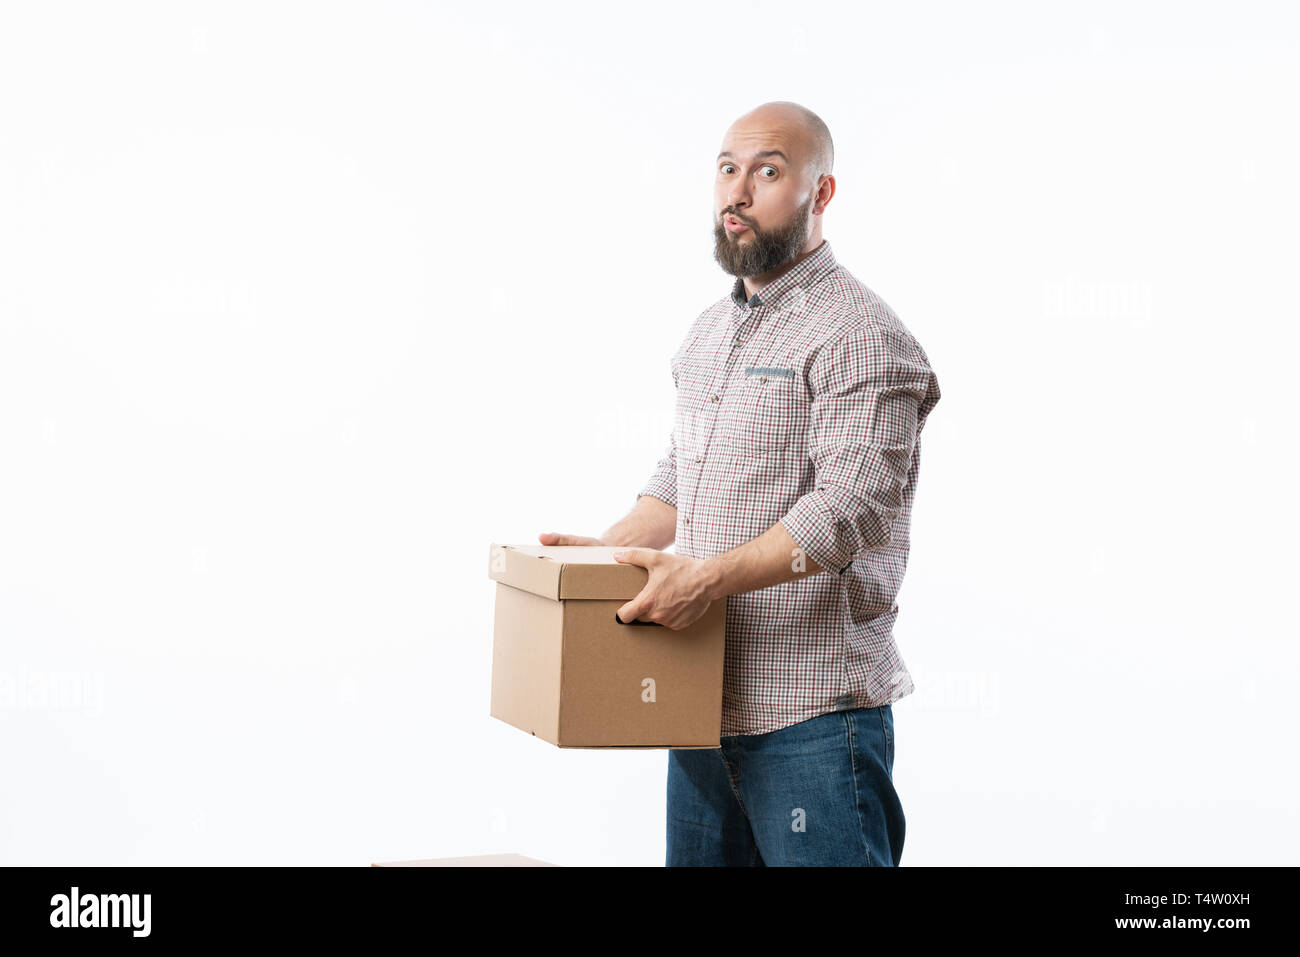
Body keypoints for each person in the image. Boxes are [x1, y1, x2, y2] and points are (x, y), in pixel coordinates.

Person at [539, 100, 941, 866]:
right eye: (727, 169)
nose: (738, 191)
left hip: (814, 724)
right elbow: (681, 472)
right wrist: (606, 556)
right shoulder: (709, 330)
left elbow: (846, 512)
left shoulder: (863, 335)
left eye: (767, 171)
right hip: (699, 702)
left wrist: (707, 582)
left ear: (821, 193)